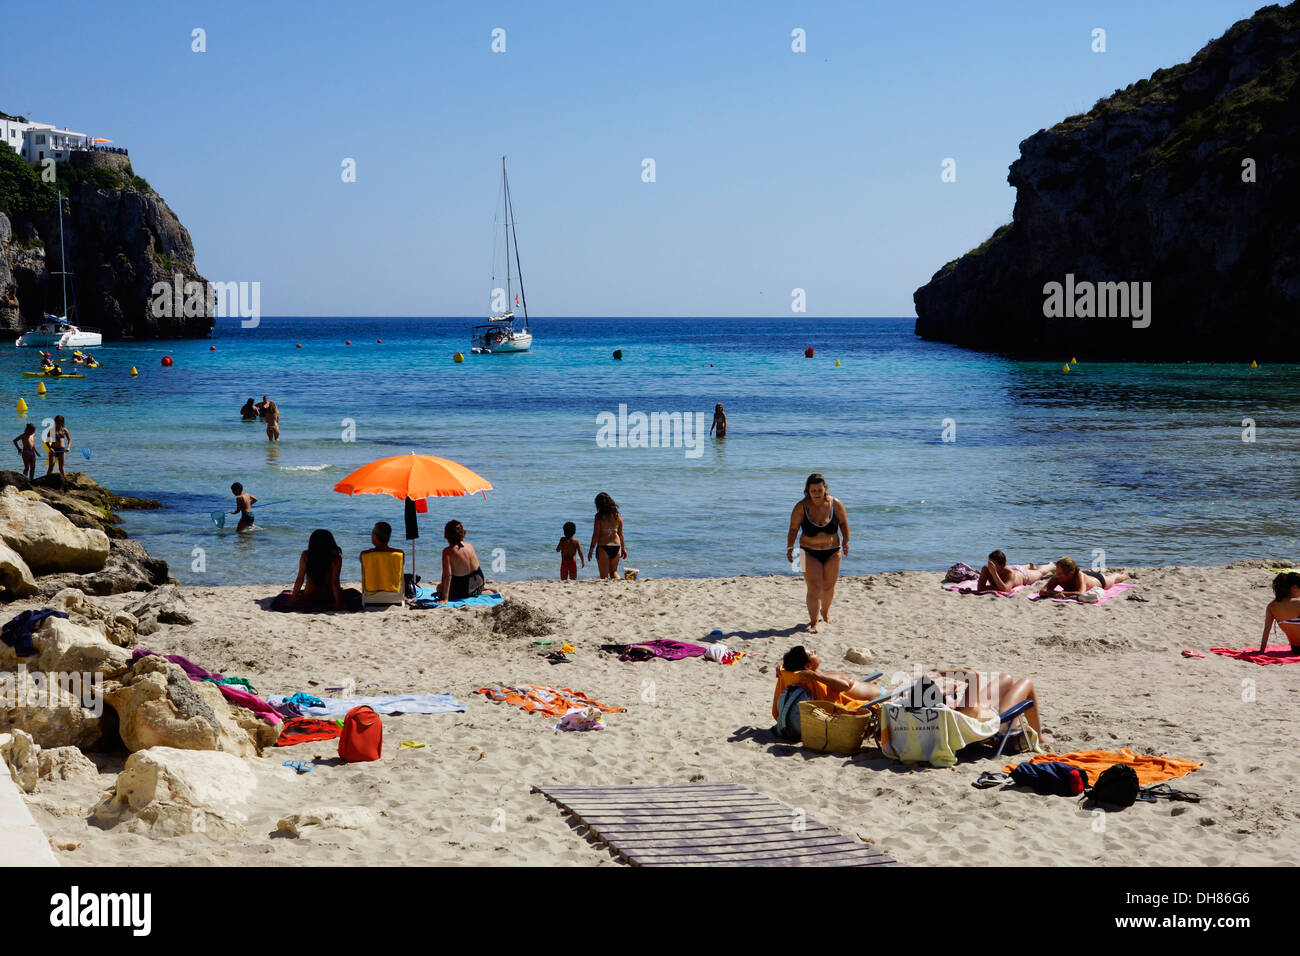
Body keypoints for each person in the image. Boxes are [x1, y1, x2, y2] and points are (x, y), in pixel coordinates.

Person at [785, 473, 848, 632]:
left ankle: (825, 614)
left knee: (828, 587)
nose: (817, 494)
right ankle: (814, 623)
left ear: (825, 489)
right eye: (813, 491)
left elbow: (843, 523)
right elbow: (793, 529)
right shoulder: (801, 507)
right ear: (807, 491)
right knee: (814, 587)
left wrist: (846, 541)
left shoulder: (835, 504)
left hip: (833, 551)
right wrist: (789, 548)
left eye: (819, 490)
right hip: (807, 552)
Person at [274, 529, 362, 611]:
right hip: (328, 597)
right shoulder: (336, 558)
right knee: (354, 593)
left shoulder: (306, 555)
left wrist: (293, 600)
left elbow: (300, 579)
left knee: (284, 595)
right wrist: (338, 603)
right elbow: (335, 582)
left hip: (309, 596)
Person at [437, 520, 486, 602]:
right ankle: (485, 589)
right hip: (479, 587)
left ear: (447, 535)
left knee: (438, 587)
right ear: (462, 532)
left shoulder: (448, 551)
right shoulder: (470, 545)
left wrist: (445, 598)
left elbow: (447, 576)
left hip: (465, 592)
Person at [1038, 556, 1130, 598]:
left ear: (1070, 573)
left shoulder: (1078, 574)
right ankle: (1089, 571)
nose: (1056, 575)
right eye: (1056, 571)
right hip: (1087, 576)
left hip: (1098, 581)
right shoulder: (1057, 577)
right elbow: (1042, 591)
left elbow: (1081, 592)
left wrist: (1064, 593)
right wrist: (1054, 593)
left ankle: (1124, 575)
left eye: (1060, 573)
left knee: (1114, 578)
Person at [588, 493, 626, 579]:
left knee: (604, 576)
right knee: (614, 572)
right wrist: (623, 548)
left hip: (603, 547)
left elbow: (596, 535)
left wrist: (591, 550)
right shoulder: (617, 515)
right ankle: (620, 586)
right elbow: (620, 534)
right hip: (617, 547)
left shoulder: (599, 517)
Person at [977, 551, 1056, 592]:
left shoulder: (1010, 573)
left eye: (993, 564)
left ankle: (1051, 565)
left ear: (1002, 565)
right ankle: (1029, 565)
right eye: (989, 563)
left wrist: (994, 573)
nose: (990, 566)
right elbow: (980, 588)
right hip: (1013, 568)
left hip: (1022, 575)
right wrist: (996, 586)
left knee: (1040, 572)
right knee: (1021, 567)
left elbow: (1006, 589)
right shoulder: (986, 569)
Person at [1260, 572, 1300, 651]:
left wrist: (1261, 651)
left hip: (1295, 649)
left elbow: (1266, 630)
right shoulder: (1298, 604)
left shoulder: (1271, 606)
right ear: (1294, 587)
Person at [45, 415, 70, 483]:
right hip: (53, 450)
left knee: (61, 468)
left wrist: (68, 447)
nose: (58, 423)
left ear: (62, 422)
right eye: (57, 421)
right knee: (51, 466)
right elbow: (47, 442)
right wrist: (50, 448)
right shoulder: (52, 430)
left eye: (60, 421)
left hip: (61, 450)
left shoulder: (64, 430)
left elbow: (69, 440)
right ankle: (47, 481)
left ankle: (65, 482)